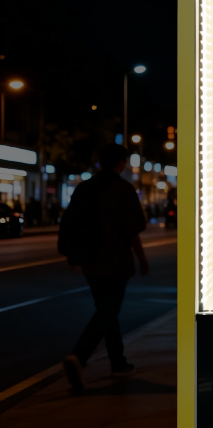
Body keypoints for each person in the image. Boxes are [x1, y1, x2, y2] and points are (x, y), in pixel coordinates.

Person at [58, 143, 148, 390]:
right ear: (121, 162)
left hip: (90, 262)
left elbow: (70, 224)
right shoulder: (123, 189)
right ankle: (79, 356)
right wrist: (142, 259)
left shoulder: (84, 188)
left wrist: (73, 257)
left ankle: (118, 364)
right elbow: (132, 231)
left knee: (107, 310)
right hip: (116, 262)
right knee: (108, 311)